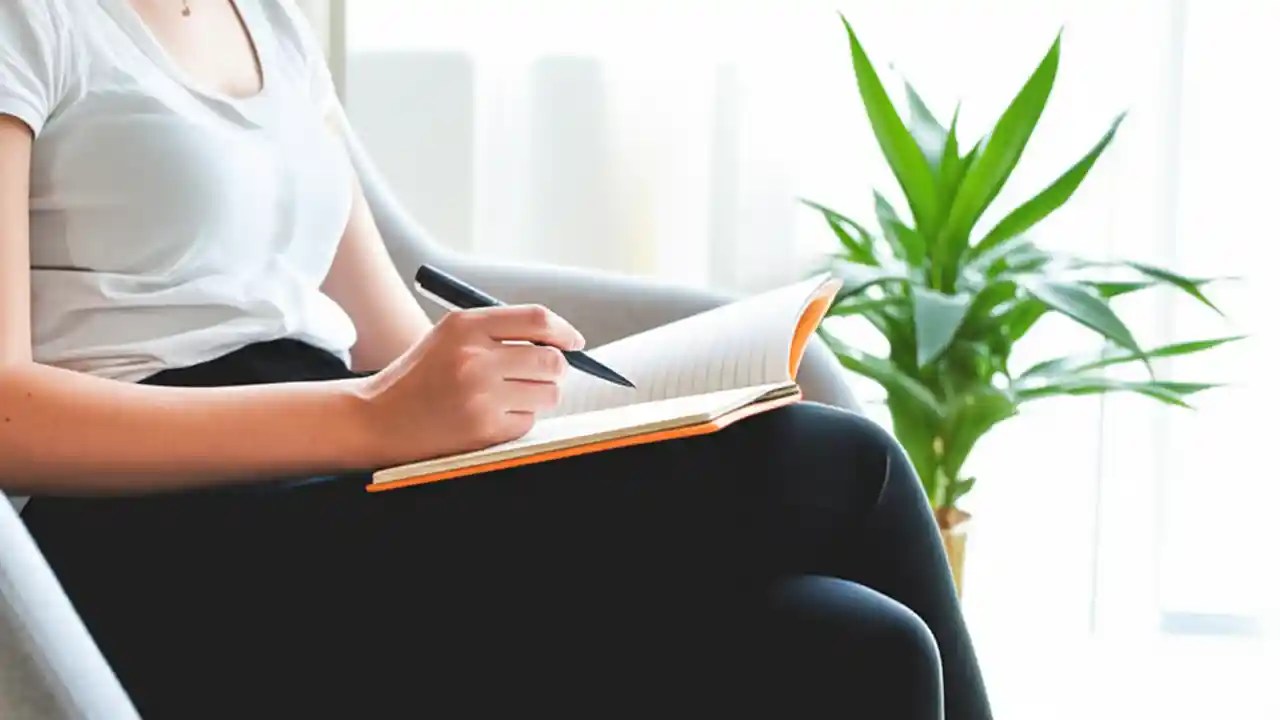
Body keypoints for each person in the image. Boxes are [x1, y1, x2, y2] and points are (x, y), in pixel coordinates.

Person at [0, 1, 993, 717]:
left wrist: (522, 386)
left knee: (864, 647)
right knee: (836, 463)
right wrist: (370, 417)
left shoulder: (271, 21)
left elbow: (389, 335)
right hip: (157, 537)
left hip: (342, 478)